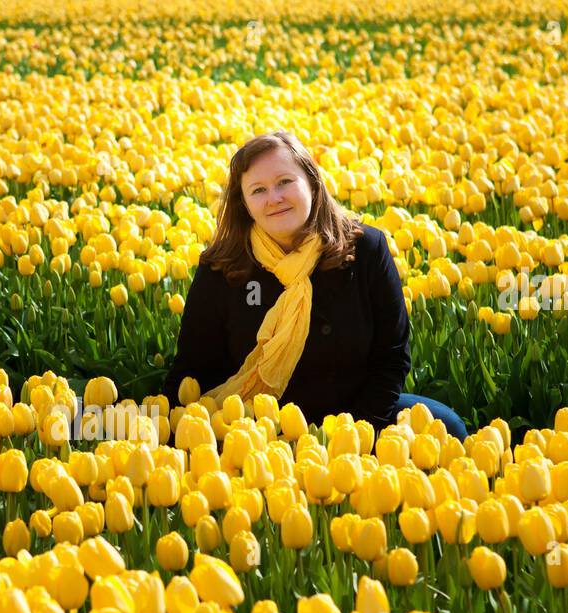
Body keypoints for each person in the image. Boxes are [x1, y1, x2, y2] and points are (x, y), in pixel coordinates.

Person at [162, 130, 468, 441]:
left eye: (285, 182)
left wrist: (353, 436)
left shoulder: (366, 251)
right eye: (258, 190)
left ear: (311, 182)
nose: (274, 198)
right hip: (253, 427)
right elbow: (192, 368)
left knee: (448, 428)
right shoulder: (222, 267)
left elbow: (391, 360)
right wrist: (169, 434)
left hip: (352, 418)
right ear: (244, 204)